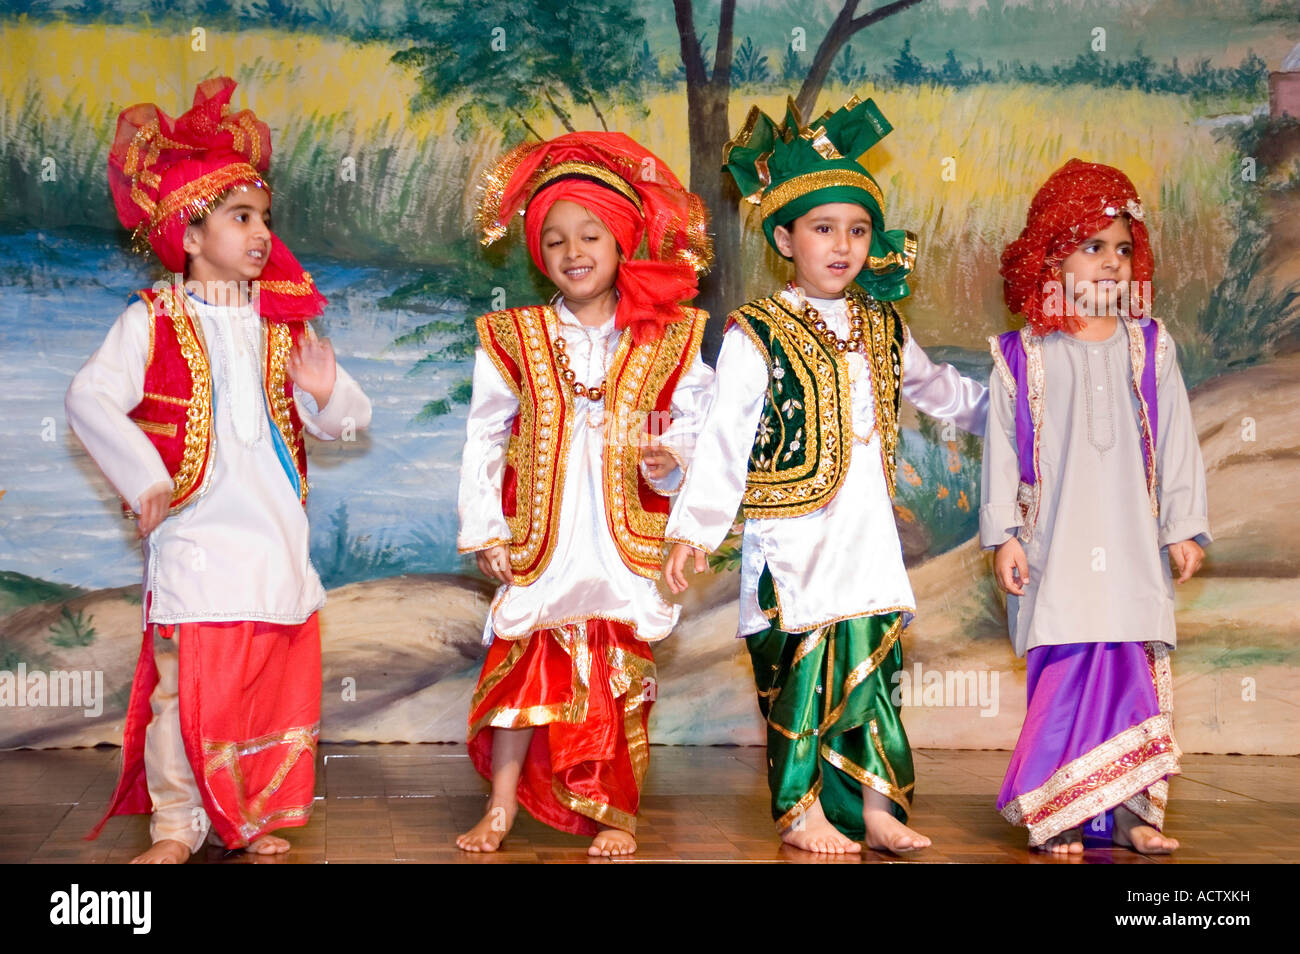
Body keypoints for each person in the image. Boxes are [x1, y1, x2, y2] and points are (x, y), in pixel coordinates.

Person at [662, 97, 987, 854]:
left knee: (873, 671)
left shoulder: (882, 323)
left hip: (866, 537)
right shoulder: (757, 332)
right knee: (802, 672)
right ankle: (800, 809)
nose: (843, 245)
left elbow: (940, 392)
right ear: (785, 237)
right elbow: (725, 440)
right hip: (792, 538)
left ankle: (877, 807)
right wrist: (694, 527)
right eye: (823, 228)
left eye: (858, 229)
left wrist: (1019, 409)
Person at [69, 78, 371, 863]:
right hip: (195, 541)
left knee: (262, 686)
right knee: (183, 687)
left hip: (273, 542)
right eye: (242, 218)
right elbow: (90, 399)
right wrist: (145, 481)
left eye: (266, 218)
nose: (262, 232)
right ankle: (177, 825)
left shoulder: (283, 326)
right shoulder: (150, 319)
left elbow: (349, 421)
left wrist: (325, 389)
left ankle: (254, 818)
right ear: (191, 235)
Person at [455, 132, 713, 857]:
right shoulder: (513, 336)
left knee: (619, 673)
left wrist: (671, 458)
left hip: (624, 537)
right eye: (556, 238)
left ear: (623, 239)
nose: (574, 251)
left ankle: (615, 812)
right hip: (541, 539)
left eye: (590, 233)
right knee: (520, 662)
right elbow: (482, 436)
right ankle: (501, 807)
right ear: (539, 253)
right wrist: (486, 531)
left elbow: (705, 429)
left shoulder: (672, 337)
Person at [983, 158, 1209, 855]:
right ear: (1051, 255)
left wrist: (1183, 526)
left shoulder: (1150, 345)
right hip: (1056, 545)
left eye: (1120, 247)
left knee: (1132, 666)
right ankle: (1061, 814)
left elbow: (1177, 442)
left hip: (1133, 547)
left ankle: (1138, 815)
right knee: (1069, 666)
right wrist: (1004, 536)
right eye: (1092, 247)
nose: (1111, 263)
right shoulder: (1021, 355)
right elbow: (999, 452)